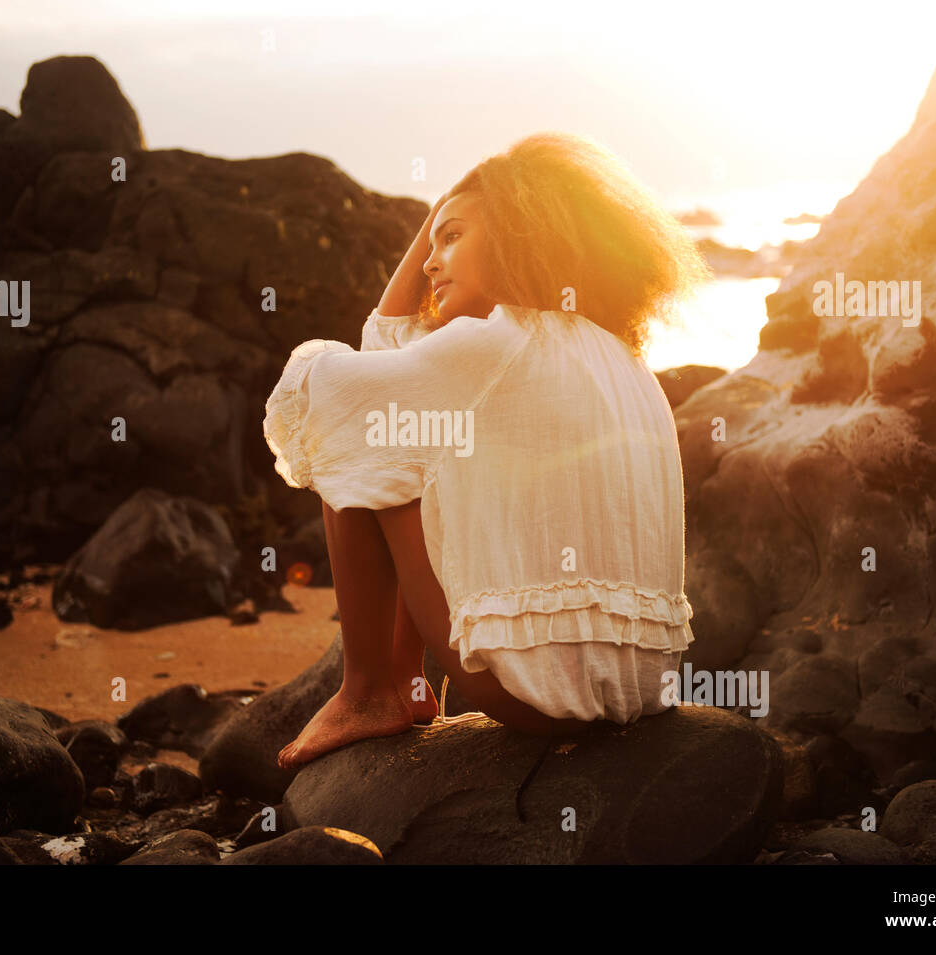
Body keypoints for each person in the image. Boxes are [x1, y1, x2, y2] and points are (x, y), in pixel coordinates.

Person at [263, 131, 709, 769]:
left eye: (452, 238)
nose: (428, 263)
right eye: (432, 241)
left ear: (521, 235)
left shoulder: (502, 342)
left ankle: (370, 690)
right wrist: (453, 209)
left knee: (366, 434)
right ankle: (407, 687)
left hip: (529, 692)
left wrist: (438, 206)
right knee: (408, 432)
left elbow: (351, 375)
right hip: (645, 686)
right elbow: (391, 355)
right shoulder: (623, 357)